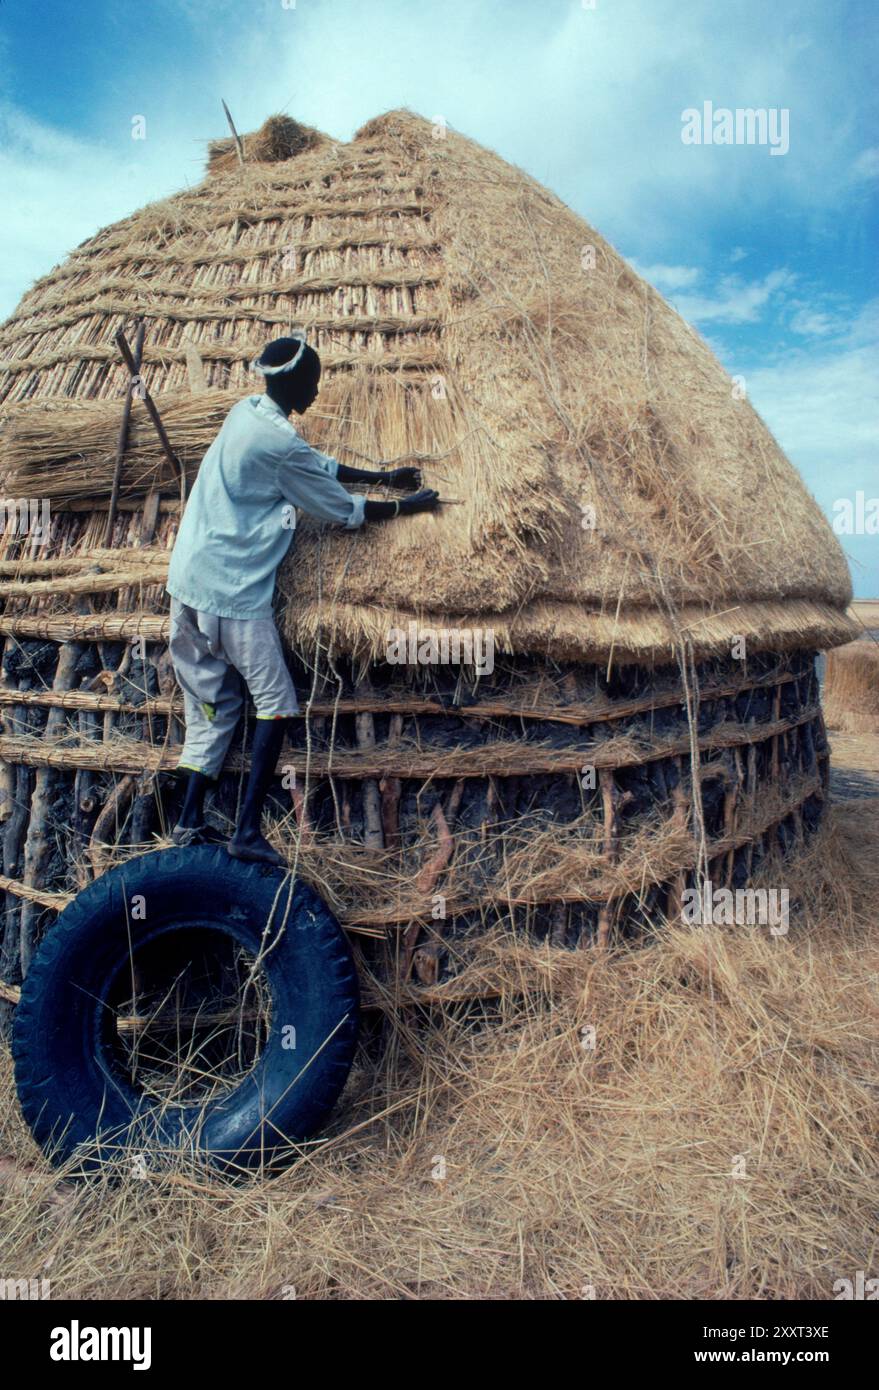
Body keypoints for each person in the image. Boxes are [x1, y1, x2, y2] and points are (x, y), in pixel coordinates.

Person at [165, 334, 440, 865]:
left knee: (210, 706)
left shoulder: (246, 413)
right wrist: (407, 506)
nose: (316, 390)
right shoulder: (279, 445)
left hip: (187, 583)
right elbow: (343, 510)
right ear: (291, 381)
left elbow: (313, 462)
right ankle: (246, 831)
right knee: (277, 706)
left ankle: (187, 820)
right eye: (311, 381)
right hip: (231, 595)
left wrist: (383, 475)